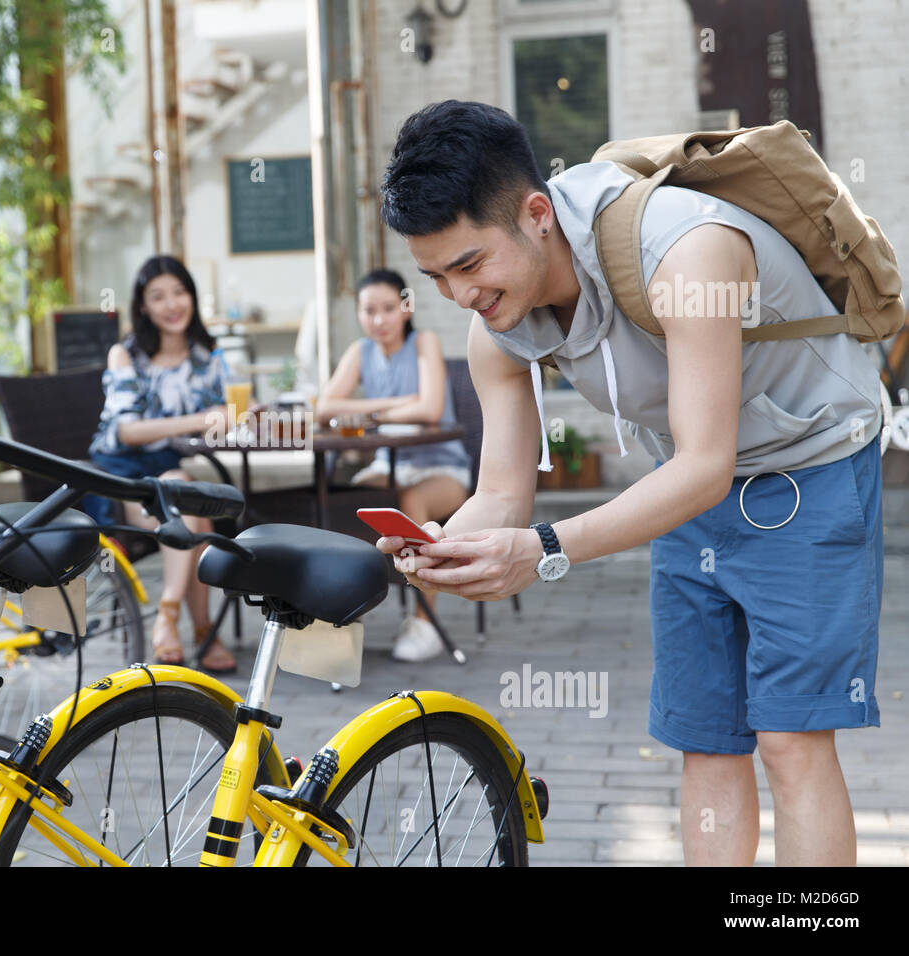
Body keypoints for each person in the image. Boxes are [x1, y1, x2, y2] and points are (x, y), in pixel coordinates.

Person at [374, 100, 884, 866]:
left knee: (790, 740)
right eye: (436, 276)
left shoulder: (685, 250)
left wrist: (544, 549)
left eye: (470, 264)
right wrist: (451, 545)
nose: (459, 297)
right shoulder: (497, 325)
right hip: (681, 494)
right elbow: (504, 492)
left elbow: (705, 465)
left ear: (536, 213)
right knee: (705, 738)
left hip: (808, 469)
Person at [84, 255, 234, 674]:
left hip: (169, 472)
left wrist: (236, 416)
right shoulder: (125, 354)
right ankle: (199, 629)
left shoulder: (207, 359)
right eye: (158, 296)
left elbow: (224, 412)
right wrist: (202, 419)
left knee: (188, 503)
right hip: (121, 478)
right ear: (143, 307)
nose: (171, 304)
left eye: (179, 292)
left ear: (192, 297)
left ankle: (173, 618)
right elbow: (128, 431)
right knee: (189, 503)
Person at [318, 268, 470, 661]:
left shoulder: (424, 343)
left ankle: (425, 620)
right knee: (351, 505)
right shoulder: (360, 352)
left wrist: (366, 411)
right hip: (389, 464)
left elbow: (429, 407)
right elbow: (325, 408)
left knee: (408, 500)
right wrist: (389, 407)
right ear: (358, 314)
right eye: (369, 310)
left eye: (388, 308)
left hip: (443, 468)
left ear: (406, 308)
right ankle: (344, 616)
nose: (379, 319)